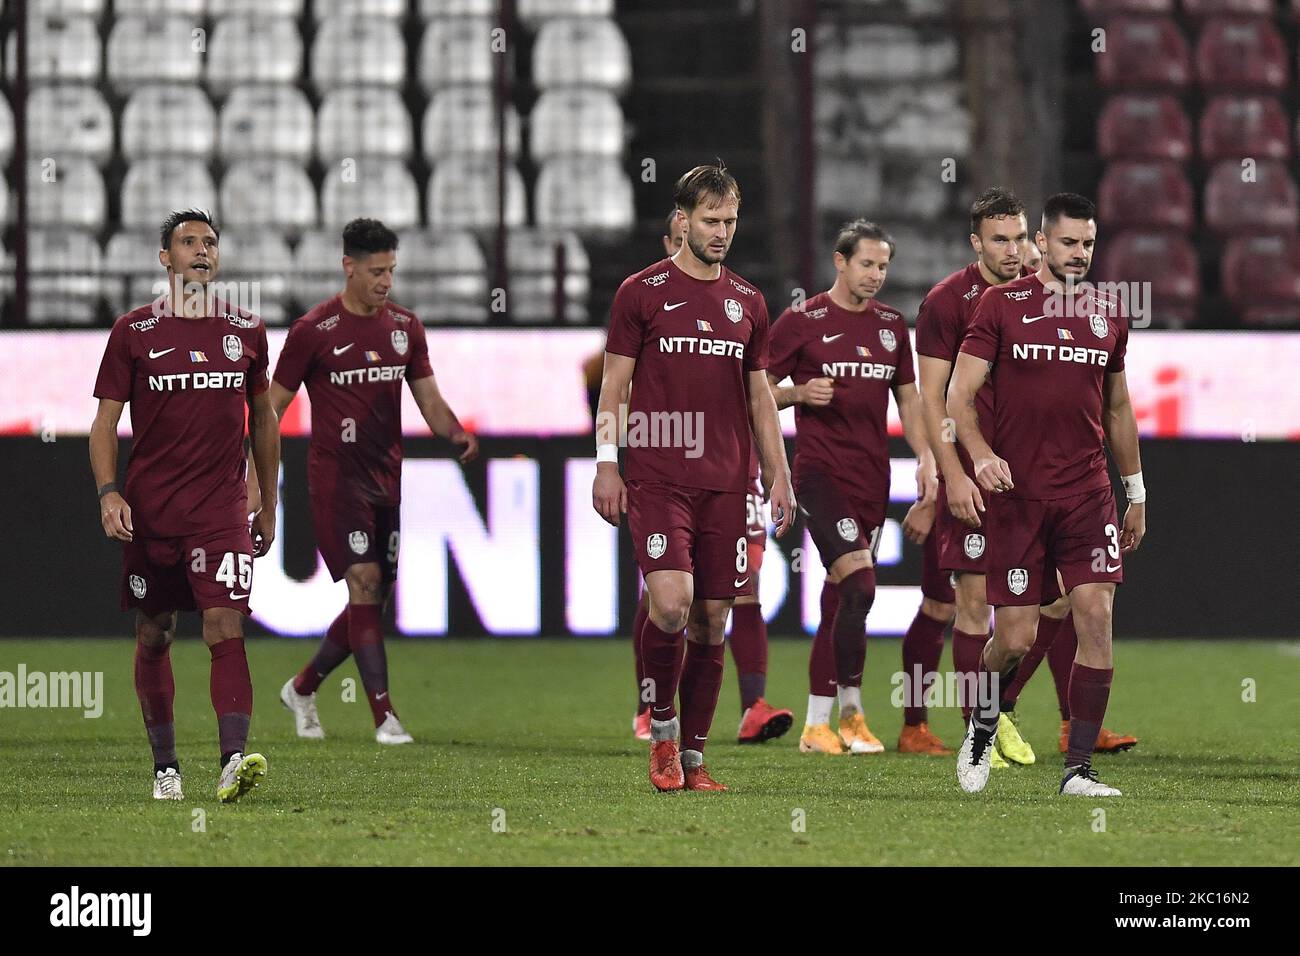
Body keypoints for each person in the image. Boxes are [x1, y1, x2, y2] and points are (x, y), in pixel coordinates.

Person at [594, 163, 796, 792]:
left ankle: (697, 756)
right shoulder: (642, 293)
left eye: (731, 220)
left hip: (727, 484)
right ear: (681, 220)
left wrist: (778, 473)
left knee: (714, 617)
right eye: (711, 220)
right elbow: (614, 386)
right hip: (658, 476)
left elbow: (760, 397)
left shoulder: (748, 302)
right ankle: (660, 736)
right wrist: (607, 463)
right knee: (673, 604)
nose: (722, 232)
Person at [947, 193, 1145, 797]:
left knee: (1096, 616)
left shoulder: (1110, 313)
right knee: (1015, 638)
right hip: (1019, 497)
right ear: (1042, 241)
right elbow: (959, 396)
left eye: (1087, 243)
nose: (1079, 254)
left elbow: (1117, 406)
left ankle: (1078, 771)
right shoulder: (1000, 306)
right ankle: (983, 724)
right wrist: (980, 456)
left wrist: (1134, 489)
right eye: (1067, 243)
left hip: (1087, 494)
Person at [90, 208, 279, 803]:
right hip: (153, 513)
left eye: (210, 242)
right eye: (188, 242)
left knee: (226, 623)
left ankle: (232, 762)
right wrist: (108, 491)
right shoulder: (133, 333)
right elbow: (103, 423)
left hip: (221, 511)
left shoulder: (247, 330)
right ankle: (166, 767)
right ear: (165, 259)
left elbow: (264, 422)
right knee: (155, 634)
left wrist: (268, 501)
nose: (202, 250)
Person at [272, 219, 479, 745]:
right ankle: (384, 716)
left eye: (391, 270)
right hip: (335, 479)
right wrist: (251, 467)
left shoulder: (405, 327)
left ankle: (302, 687)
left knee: (373, 598)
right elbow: (270, 407)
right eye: (376, 271)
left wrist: (454, 433)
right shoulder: (312, 332)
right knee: (364, 583)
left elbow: (428, 397)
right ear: (349, 267)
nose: (386, 281)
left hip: (386, 479)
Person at [767, 220, 935, 756]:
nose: (876, 275)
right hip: (820, 475)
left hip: (872, 478)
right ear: (840, 262)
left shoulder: (890, 326)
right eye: (867, 264)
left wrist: (926, 454)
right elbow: (754, 393)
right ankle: (850, 712)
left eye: (883, 266)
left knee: (842, 596)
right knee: (861, 586)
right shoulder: (803, 319)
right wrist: (797, 393)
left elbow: (909, 400)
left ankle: (825, 726)